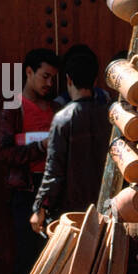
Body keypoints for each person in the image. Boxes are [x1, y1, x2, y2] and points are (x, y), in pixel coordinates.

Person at [0, 48, 59, 274]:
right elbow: (3, 152)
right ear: (29, 72)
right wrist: (41, 147)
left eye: (53, 78)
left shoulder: (55, 107)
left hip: (53, 190)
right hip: (26, 191)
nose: (49, 83)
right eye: (44, 76)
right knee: (27, 259)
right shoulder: (14, 108)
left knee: (53, 258)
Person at [30, 46, 111, 232]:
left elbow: (54, 170)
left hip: (71, 213)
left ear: (68, 79)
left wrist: (39, 208)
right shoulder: (109, 115)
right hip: (104, 209)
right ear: (95, 80)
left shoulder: (62, 119)